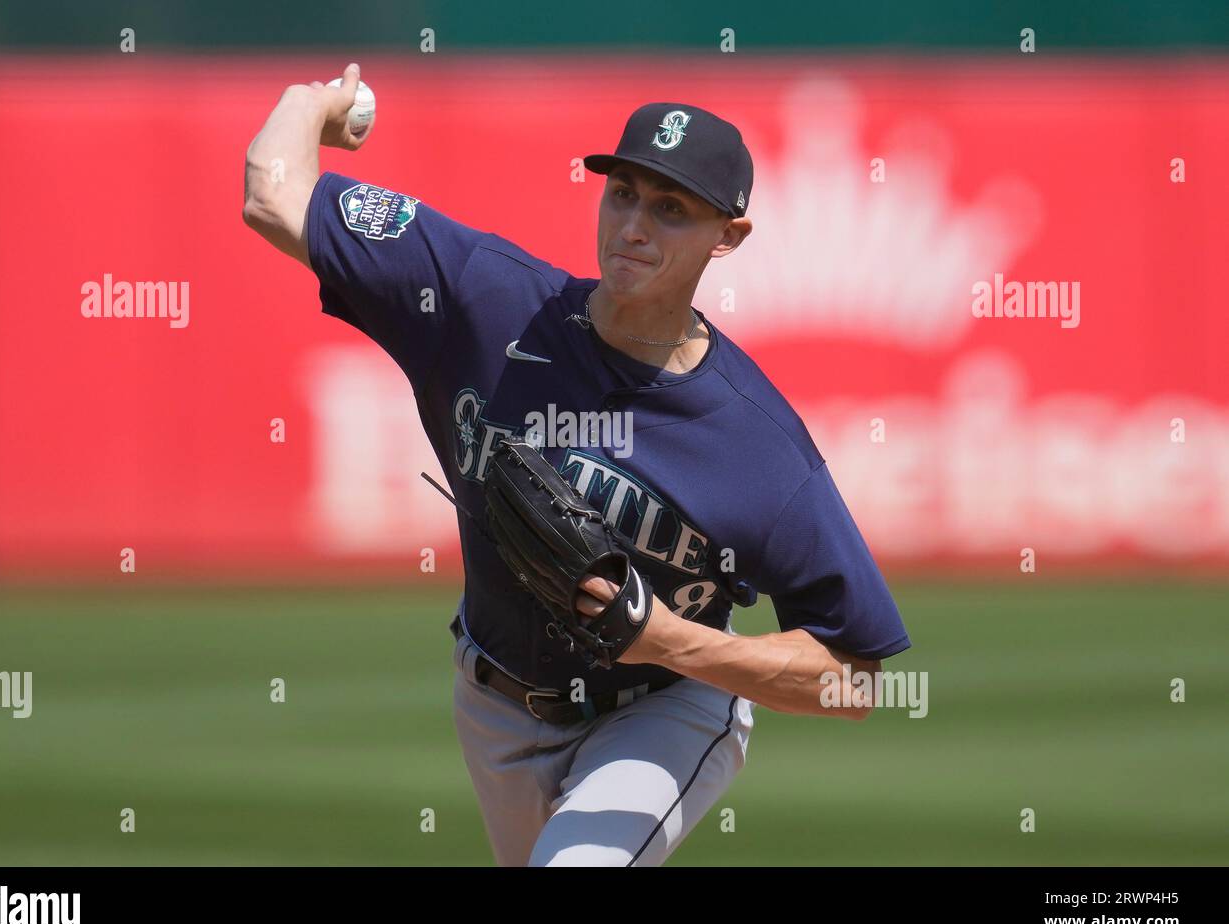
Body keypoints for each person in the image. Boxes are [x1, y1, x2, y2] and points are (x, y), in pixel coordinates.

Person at [243, 64, 911, 866]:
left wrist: (668, 639)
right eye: (622, 192)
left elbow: (854, 678)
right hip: (490, 700)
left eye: (671, 209)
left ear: (727, 238)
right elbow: (273, 198)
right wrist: (309, 102)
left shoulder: (755, 443)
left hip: (662, 710)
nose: (633, 225)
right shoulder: (481, 295)